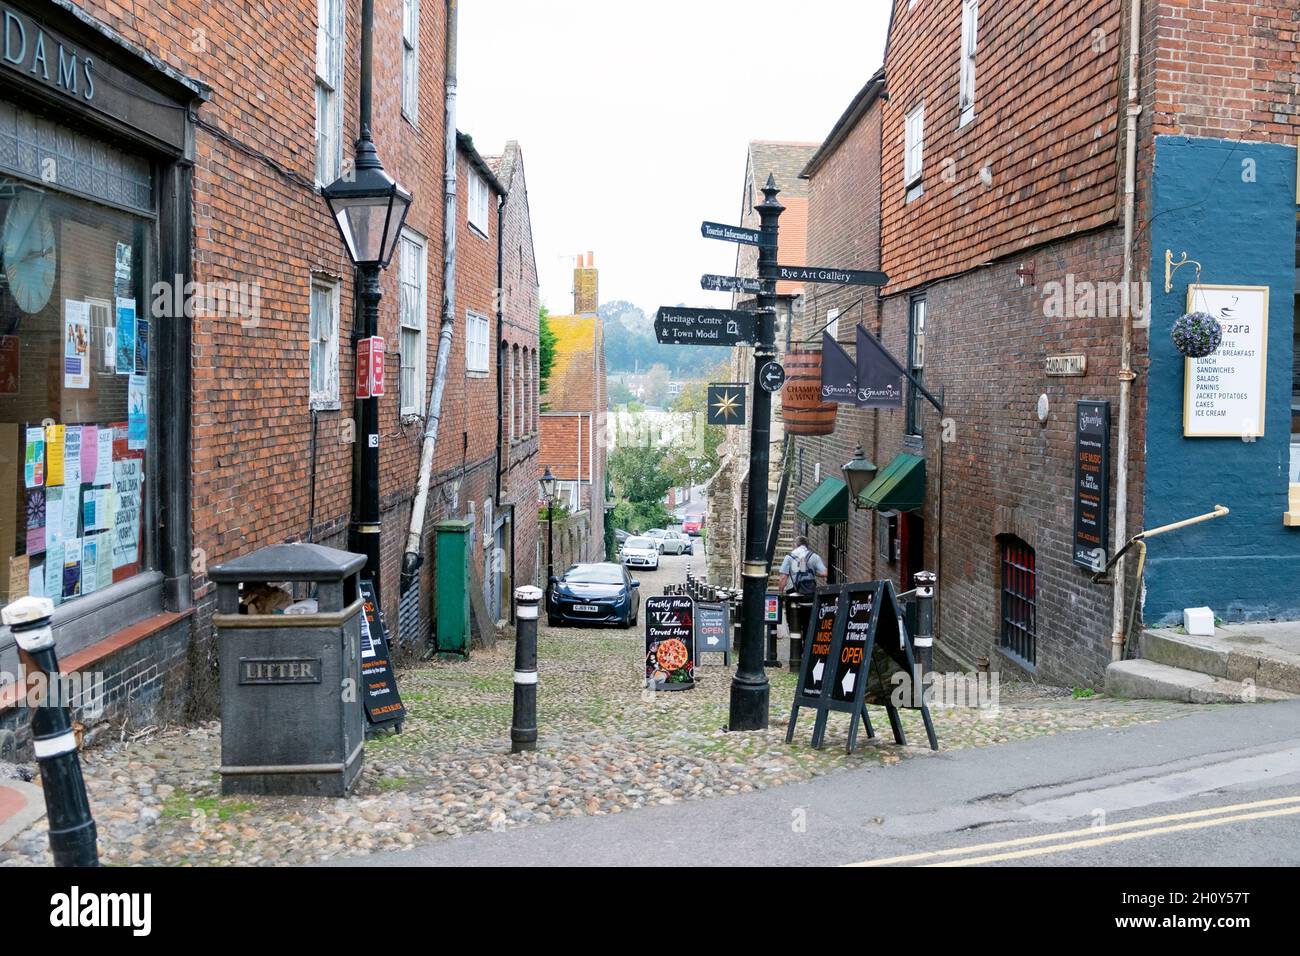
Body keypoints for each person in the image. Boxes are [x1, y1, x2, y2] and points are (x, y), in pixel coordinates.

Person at [778, 536, 828, 648]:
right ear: (807, 545)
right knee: (808, 622)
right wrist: (812, 572)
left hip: (792, 594)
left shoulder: (789, 557)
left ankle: (796, 649)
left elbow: (783, 578)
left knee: (794, 623)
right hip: (810, 594)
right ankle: (807, 648)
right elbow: (824, 573)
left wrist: (780, 593)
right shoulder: (814, 556)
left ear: (795, 545)